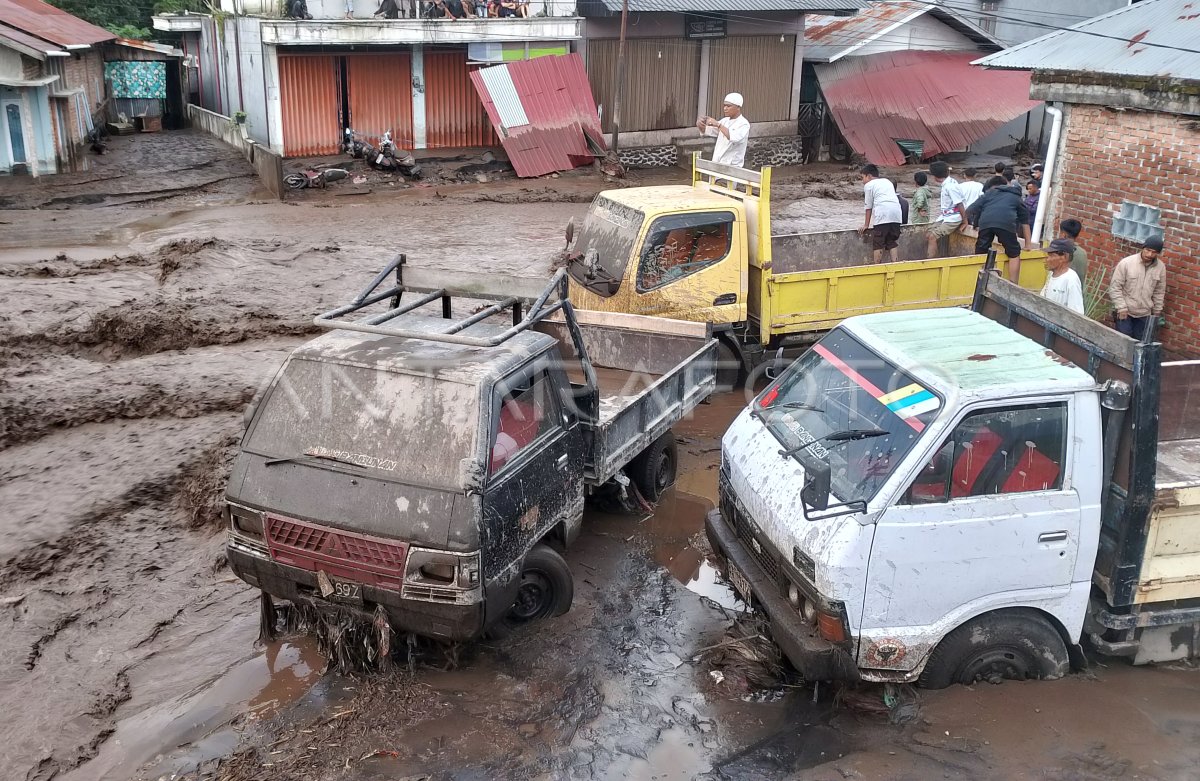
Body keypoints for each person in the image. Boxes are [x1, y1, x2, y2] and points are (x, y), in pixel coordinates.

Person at [966, 175, 1031, 282]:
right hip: (1005, 224)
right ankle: (1013, 284)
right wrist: (1028, 245)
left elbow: (970, 210)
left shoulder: (988, 194)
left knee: (981, 250)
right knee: (1014, 253)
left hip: (986, 224)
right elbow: (1025, 222)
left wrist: (970, 223)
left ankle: (978, 280)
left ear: (992, 186)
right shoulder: (1016, 196)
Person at [1109, 237, 1167, 341]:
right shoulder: (1126, 263)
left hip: (1145, 313)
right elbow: (1115, 287)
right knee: (1124, 343)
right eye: (1148, 250)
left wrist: (1157, 311)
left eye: (1154, 252)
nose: (1149, 255)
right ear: (1143, 248)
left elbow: (1159, 291)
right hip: (1125, 312)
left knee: (1140, 344)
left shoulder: (1160, 267)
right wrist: (1121, 307)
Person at [858, 164, 903, 263]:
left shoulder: (869, 185)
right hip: (896, 214)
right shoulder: (887, 181)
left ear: (869, 176)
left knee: (878, 242)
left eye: (862, 178)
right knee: (891, 241)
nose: (862, 181)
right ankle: (895, 265)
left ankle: (877, 267)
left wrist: (866, 225)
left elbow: (868, 207)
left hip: (883, 214)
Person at [697, 93, 750, 168]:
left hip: (732, 167)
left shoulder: (744, 124)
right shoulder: (724, 121)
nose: (725, 108)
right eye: (724, 105)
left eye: (728, 106)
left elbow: (733, 137)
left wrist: (718, 124)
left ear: (738, 107)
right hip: (717, 163)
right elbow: (708, 131)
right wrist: (700, 125)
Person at [926, 161, 965, 258]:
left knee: (932, 237)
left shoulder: (950, 186)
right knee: (928, 234)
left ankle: (931, 262)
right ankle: (937, 256)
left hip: (954, 218)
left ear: (935, 177)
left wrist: (965, 221)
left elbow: (960, 204)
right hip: (946, 216)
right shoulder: (948, 183)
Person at [1040, 238, 1085, 314]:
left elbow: (1076, 313)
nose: (1048, 259)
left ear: (1064, 257)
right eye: (1048, 256)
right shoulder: (1051, 275)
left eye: (1052, 256)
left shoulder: (1071, 279)